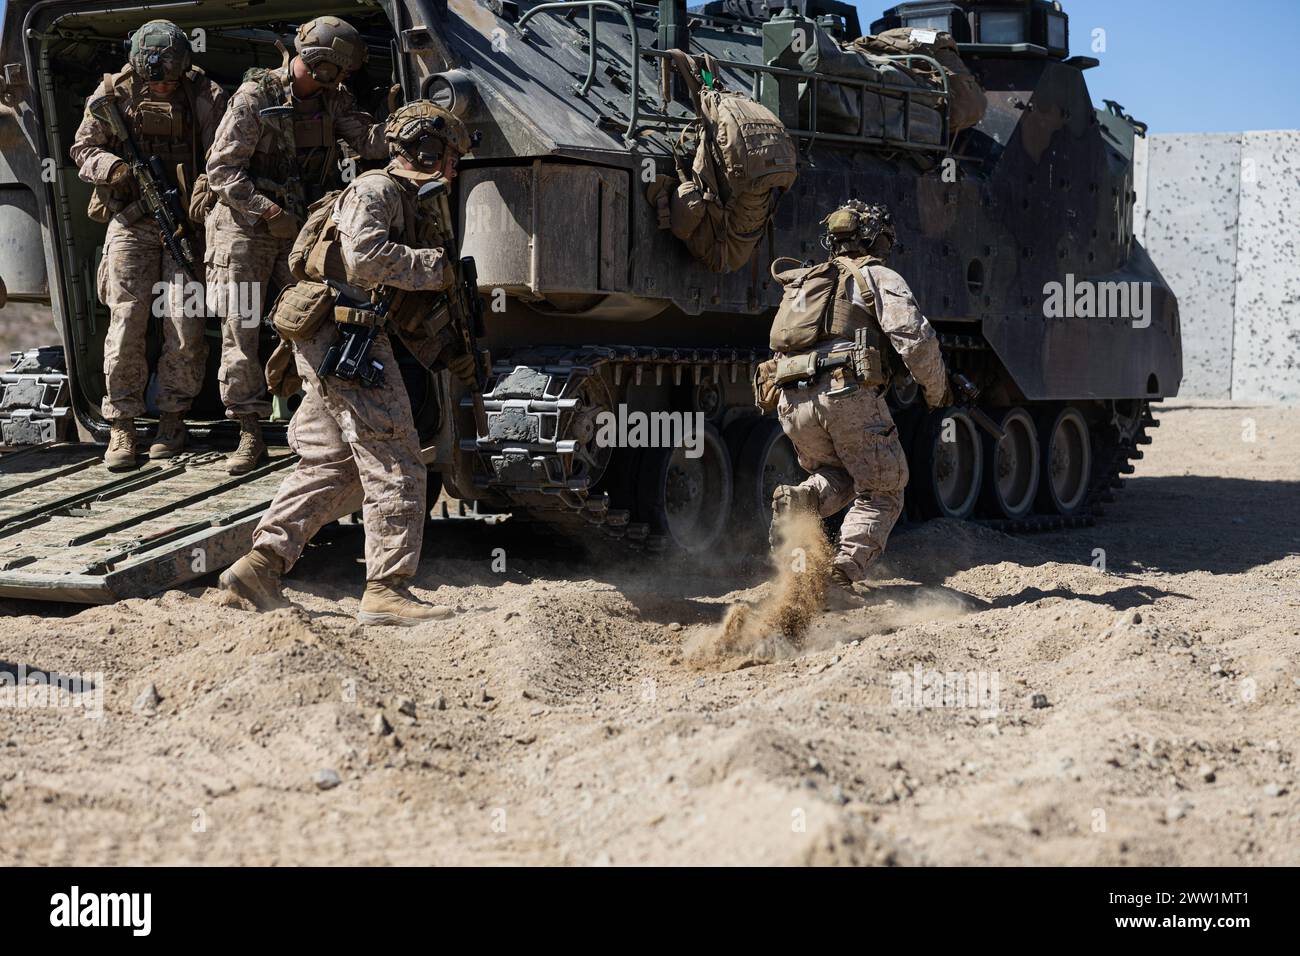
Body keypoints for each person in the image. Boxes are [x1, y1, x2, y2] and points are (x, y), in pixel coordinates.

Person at [220, 100, 477, 625]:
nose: (454, 168)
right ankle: (388, 589)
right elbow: (364, 260)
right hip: (348, 338)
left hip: (340, 338)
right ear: (426, 150)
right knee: (397, 457)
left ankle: (259, 566)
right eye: (450, 155)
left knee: (333, 464)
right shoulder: (377, 189)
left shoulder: (405, 197)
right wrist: (435, 268)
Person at [205, 15, 387, 474]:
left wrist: (401, 127)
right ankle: (249, 433)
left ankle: (314, 431)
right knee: (241, 329)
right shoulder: (254, 98)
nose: (341, 80)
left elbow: (366, 142)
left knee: (309, 325)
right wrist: (270, 213)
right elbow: (222, 171)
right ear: (321, 63)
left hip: (296, 231)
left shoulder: (335, 100)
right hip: (244, 229)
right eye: (337, 70)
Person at [767, 200, 951, 596]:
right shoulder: (877, 276)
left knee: (844, 474)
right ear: (875, 239)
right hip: (844, 393)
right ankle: (843, 572)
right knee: (884, 487)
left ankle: (803, 497)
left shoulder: (806, 283)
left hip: (791, 401)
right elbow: (914, 337)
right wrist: (936, 390)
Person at [70, 19, 227, 469]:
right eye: (154, 79)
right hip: (130, 220)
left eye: (170, 79)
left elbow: (226, 151)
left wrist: (207, 189)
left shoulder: (204, 94)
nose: (162, 86)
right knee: (126, 323)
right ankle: (121, 425)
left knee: (185, 321)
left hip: (184, 224)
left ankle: (173, 419)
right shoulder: (111, 94)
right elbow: (83, 150)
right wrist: (114, 169)